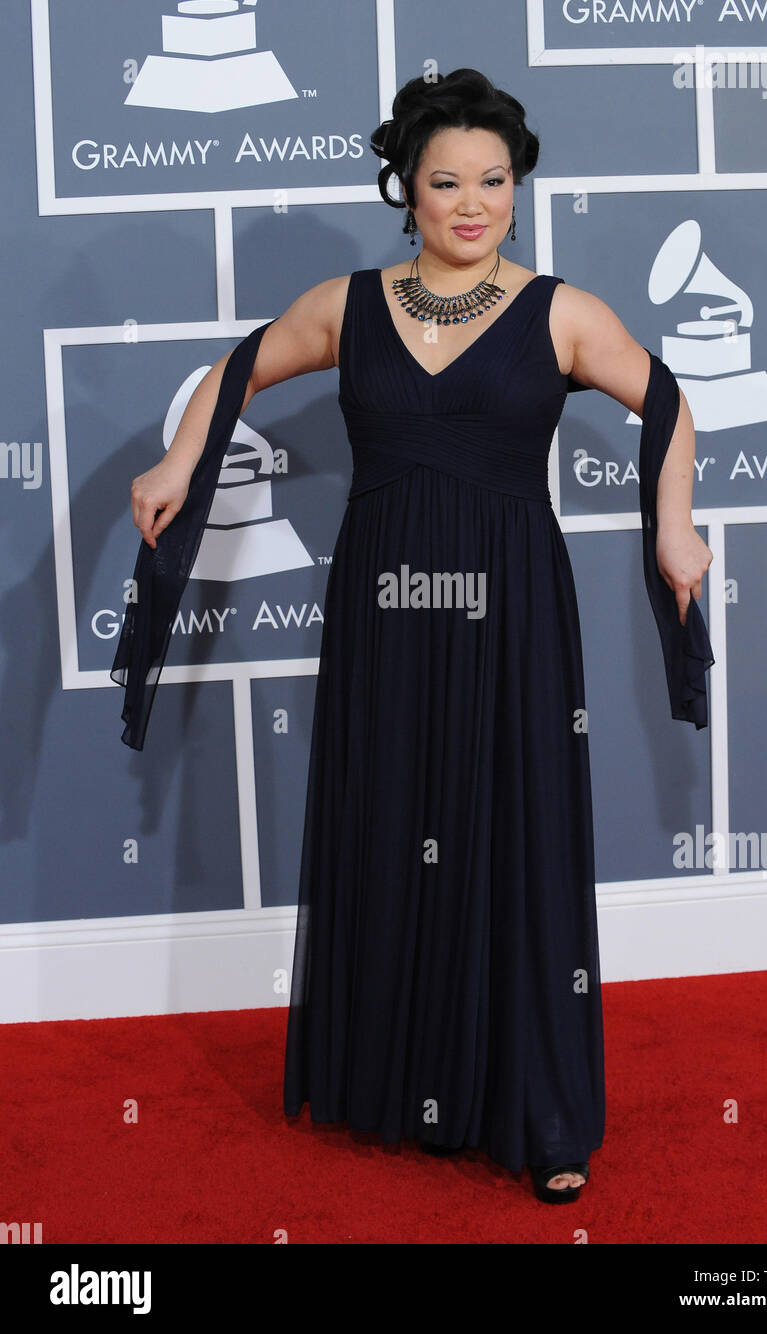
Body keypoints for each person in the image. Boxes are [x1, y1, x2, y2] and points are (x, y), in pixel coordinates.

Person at [124, 67, 712, 1204]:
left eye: (494, 179)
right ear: (408, 186)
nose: (473, 202)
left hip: (515, 605)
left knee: (517, 825)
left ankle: (540, 1116)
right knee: (394, 815)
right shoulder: (349, 305)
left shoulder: (564, 311)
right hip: (386, 600)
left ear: (518, 183)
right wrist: (177, 458)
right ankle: (404, 1083)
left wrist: (674, 528)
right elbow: (241, 366)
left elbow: (670, 401)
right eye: (448, 181)